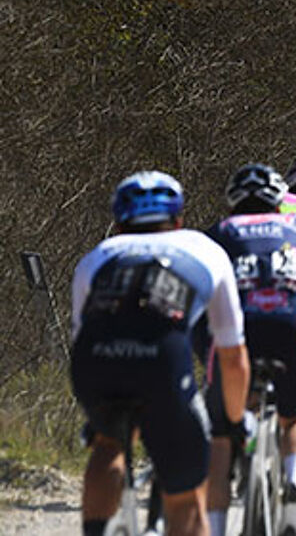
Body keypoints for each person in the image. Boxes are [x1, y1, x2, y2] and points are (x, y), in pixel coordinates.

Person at [71, 170, 250, 536]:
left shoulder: (97, 256)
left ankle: (94, 528)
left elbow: (79, 336)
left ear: (118, 224)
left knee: (107, 440)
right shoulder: (205, 249)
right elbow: (231, 354)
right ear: (179, 220)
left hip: (95, 359)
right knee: (186, 495)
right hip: (161, 361)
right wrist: (233, 421)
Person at [205, 163, 296, 536]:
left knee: (220, 435)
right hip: (291, 326)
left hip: (240, 331)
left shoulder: (219, 233)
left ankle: (218, 527)